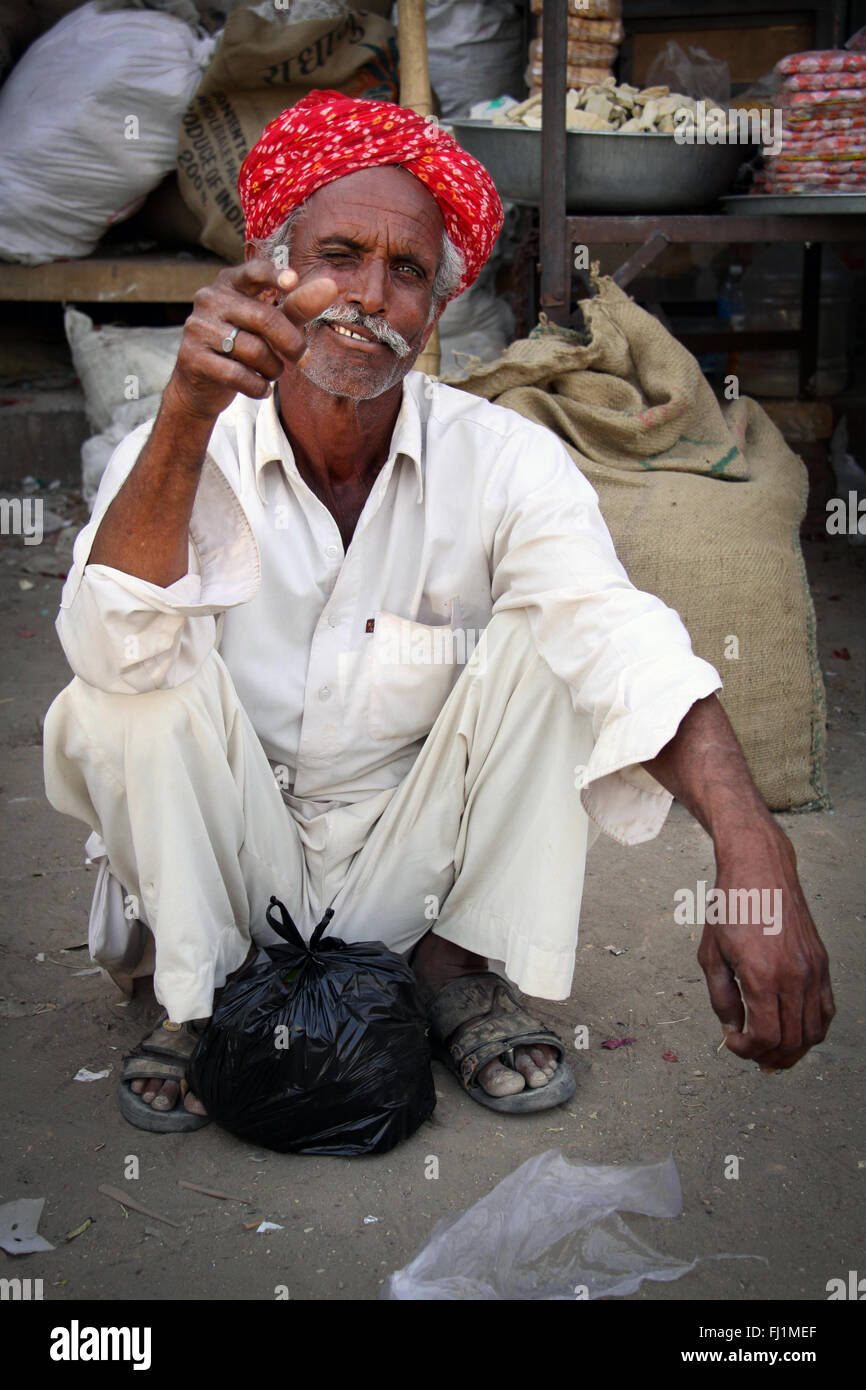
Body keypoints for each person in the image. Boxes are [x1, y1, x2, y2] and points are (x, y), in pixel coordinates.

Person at [44, 91, 834, 1132]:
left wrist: (752, 851)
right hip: (222, 872)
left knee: (552, 642)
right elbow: (105, 645)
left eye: (407, 272)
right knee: (122, 685)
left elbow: (613, 632)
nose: (369, 298)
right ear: (272, 268)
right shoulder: (185, 433)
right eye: (339, 254)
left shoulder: (503, 458)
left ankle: (451, 964)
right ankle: (200, 995)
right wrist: (190, 413)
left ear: (439, 307)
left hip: (406, 868)